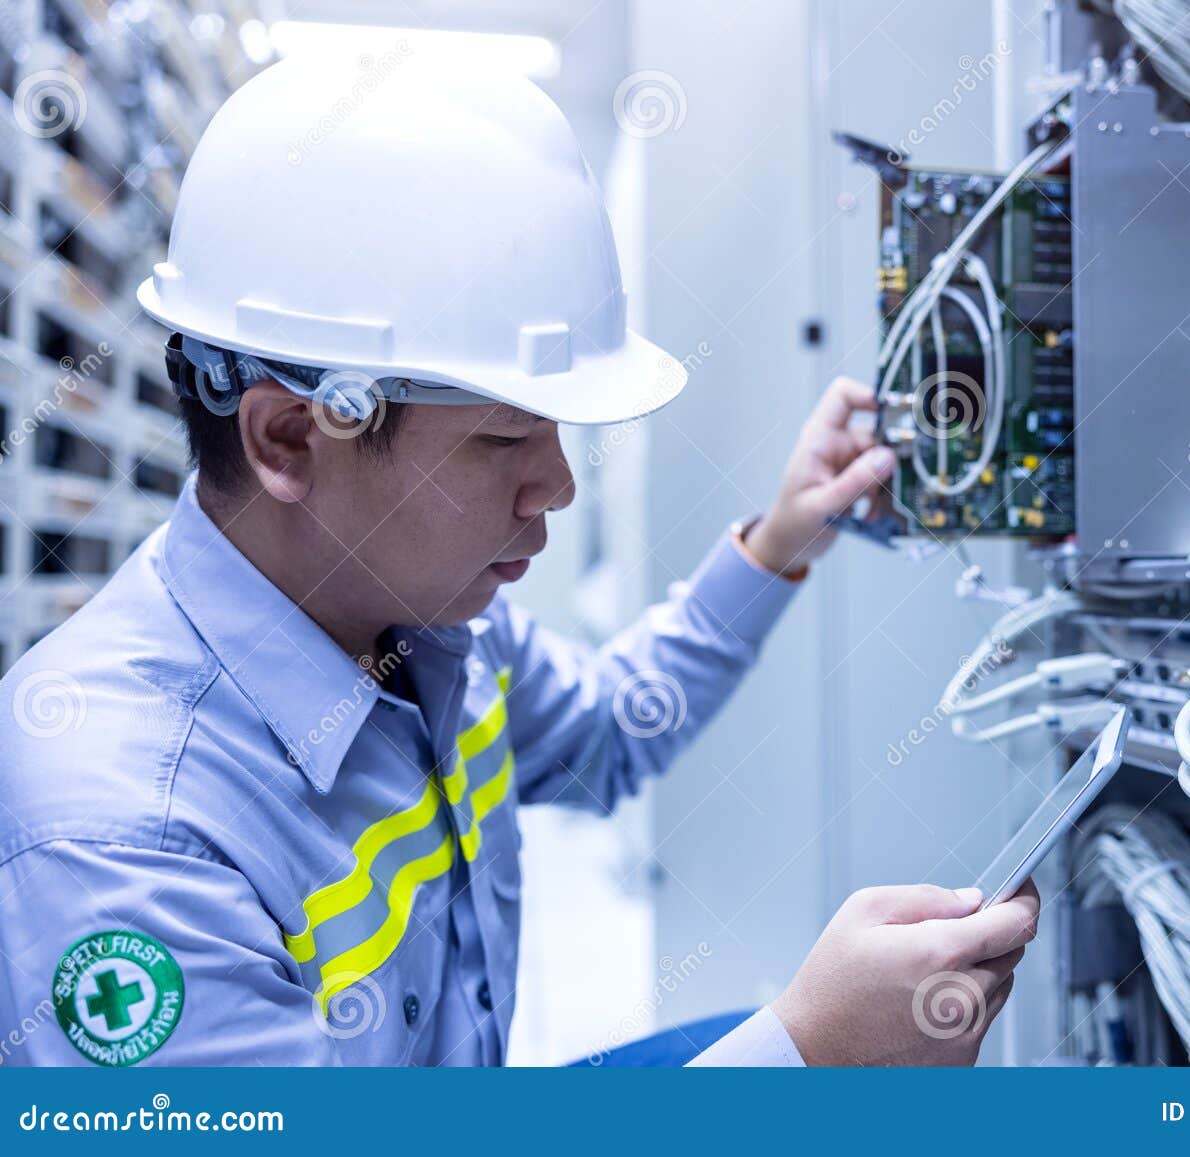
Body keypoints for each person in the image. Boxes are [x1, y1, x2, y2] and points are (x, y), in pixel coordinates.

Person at [0, 55, 1037, 1067]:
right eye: (503, 440)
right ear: (285, 438)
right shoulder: (122, 836)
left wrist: (780, 540)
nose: (559, 485)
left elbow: (603, 734)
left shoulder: (421, 616)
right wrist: (799, 1056)